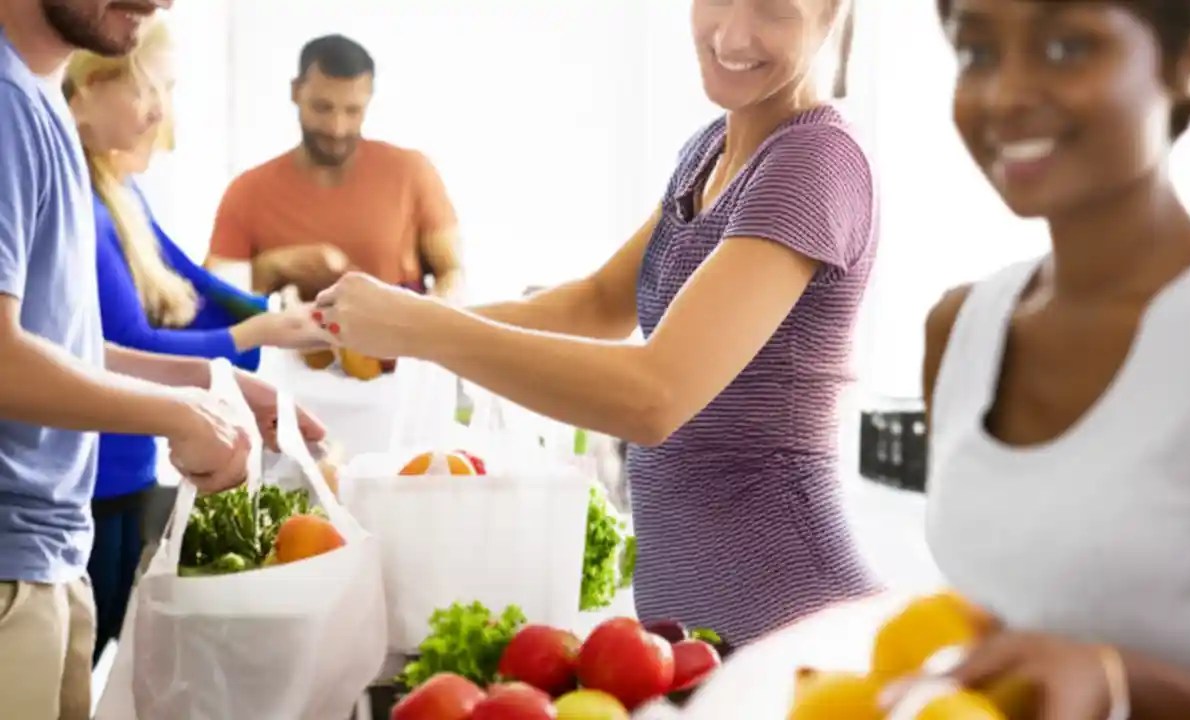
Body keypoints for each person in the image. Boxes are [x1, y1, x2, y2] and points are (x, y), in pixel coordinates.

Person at [315, 0, 879, 646]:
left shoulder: (813, 162)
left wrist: (420, 329)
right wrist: (374, 326)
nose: (731, 34)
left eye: (774, 10)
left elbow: (655, 396)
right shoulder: (711, 151)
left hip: (791, 618)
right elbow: (594, 307)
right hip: (698, 628)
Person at [922, 1, 1190, 716]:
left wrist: (1123, 681)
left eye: (1065, 48)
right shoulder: (957, 329)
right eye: (976, 53)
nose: (1007, 94)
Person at [0, 1, 324, 716]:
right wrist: (178, 413)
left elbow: (60, 345)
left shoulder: (37, 96)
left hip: (46, 560)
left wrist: (209, 379)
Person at [204, 33, 464, 302]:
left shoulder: (413, 172)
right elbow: (213, 300)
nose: (337, 128)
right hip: (288, 341)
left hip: (397, 339)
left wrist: (433, 317)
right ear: (295, 92)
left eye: (353, 111)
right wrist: (273, 267)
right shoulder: (247, 191)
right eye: (322, 108)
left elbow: (453, 273)